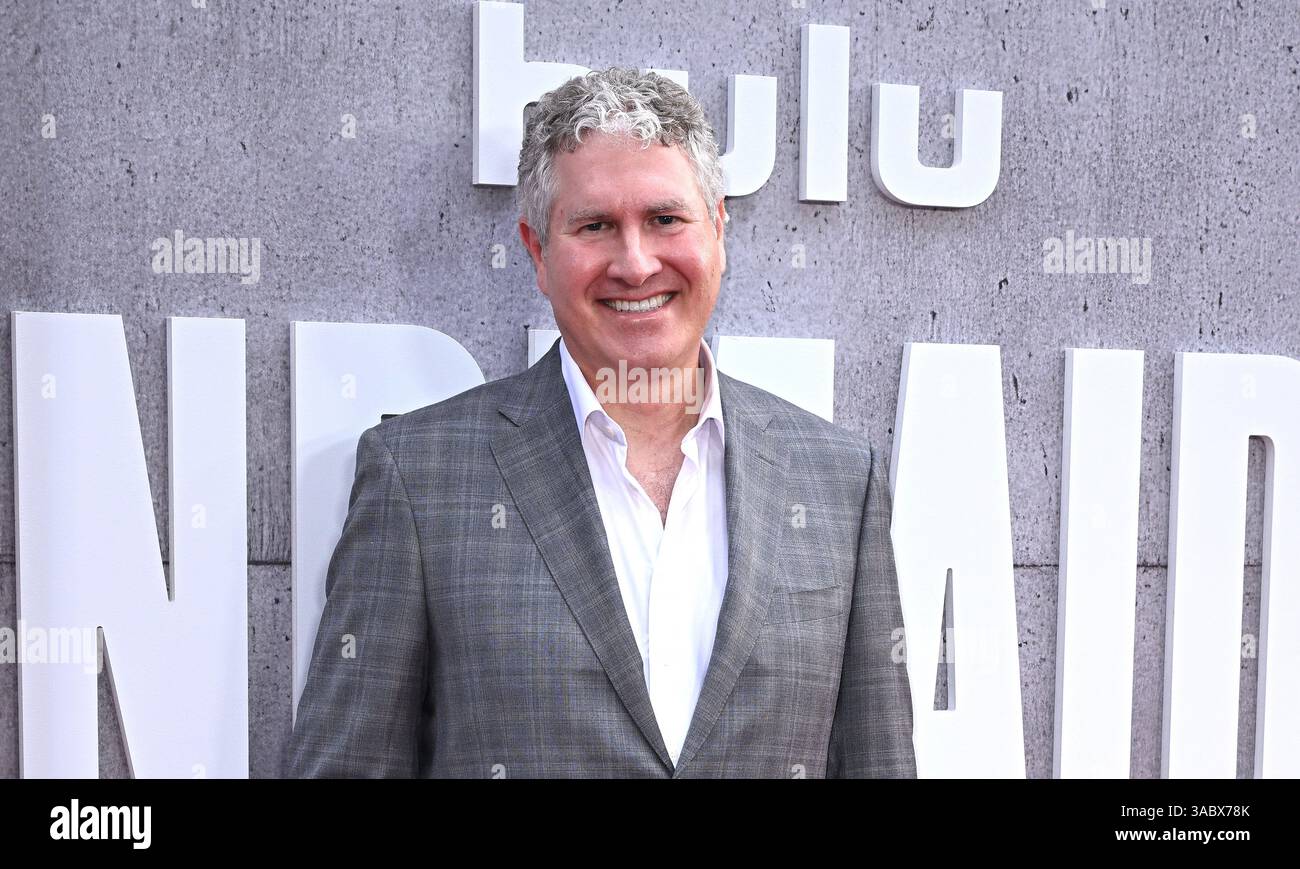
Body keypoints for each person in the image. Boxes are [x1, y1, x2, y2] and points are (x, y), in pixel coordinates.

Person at [284, 67, 916, 778]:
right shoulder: (419, 477)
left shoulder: (838, 482)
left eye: (665, 219)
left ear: (719, 230)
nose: (636, 262)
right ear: (538, 253)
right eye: (595, 226)